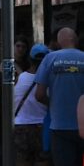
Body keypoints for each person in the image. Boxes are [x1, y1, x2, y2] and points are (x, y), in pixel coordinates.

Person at [34, 27, 84, 166]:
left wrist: (53, 104)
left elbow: (39, 95)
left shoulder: (49, 59)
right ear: (76, 40)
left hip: (60, 127)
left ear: (58, 42)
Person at [15, 43, 51, 166]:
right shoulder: (49, 81)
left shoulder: (20, 78)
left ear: (30, 59)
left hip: (20, 127)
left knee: (22, 162)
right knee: (43, 161)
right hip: (41, 127)